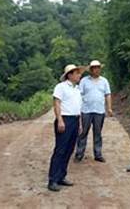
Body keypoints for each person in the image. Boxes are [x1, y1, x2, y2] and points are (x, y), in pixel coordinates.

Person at [48, 64, 85, 192]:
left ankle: (61, 176)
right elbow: (57, 103)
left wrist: (79, 123)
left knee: (69, 150)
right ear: (70, 75)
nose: (79, 75)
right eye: (77, 73)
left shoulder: (77, 89)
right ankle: (52, 179)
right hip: (65, 119)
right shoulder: (61, 87)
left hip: (74, 120)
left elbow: (78, 108)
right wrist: (60, 120)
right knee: (60, 150)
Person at [75, 60, 113, 163]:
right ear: (91, 70)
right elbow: (79, 94)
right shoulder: (84, 81)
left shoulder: (104, 81)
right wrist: (77, 108)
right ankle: (79, 153)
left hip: (99, 110)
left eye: (98, 67)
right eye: (94, 68)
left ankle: (98, 154)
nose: (96, 69)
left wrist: (109, 108)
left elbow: (108, 94)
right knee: (83, 132)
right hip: (86, 110)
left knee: (98, 133)